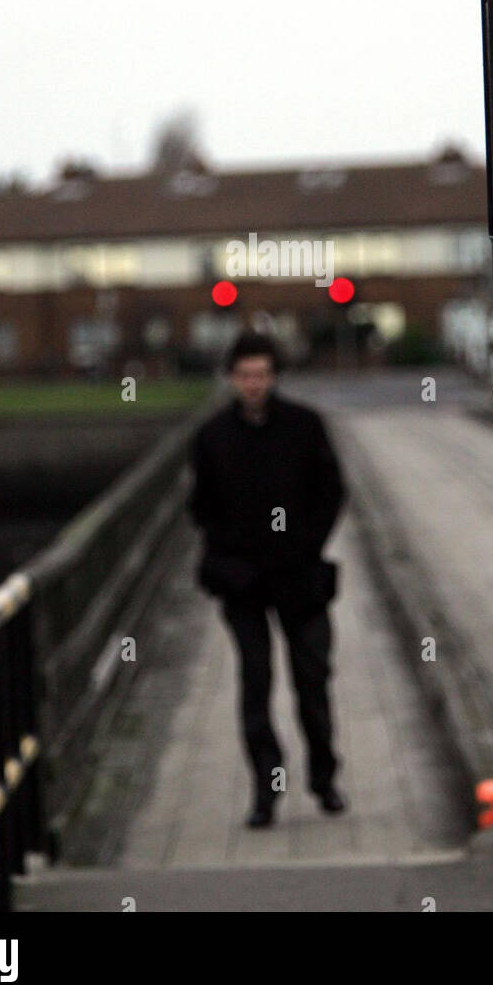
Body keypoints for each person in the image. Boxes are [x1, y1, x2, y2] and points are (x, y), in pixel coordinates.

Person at [187, 329, 348, 828]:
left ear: (274, 376)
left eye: (260, 374)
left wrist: (305, 544)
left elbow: (332, 491)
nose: (253, 383)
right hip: (242, 582)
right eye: (244, 375)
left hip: (299, 578)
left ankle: (324, 777)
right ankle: (265, 789)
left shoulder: (304, 425)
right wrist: (230, 554)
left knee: (313, 682)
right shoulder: (211, 437)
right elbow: (200, 508)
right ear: (232, 379)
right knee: (255, 685)